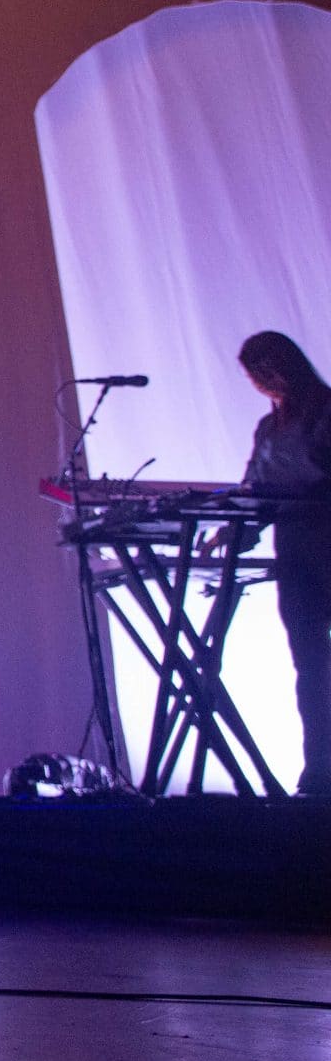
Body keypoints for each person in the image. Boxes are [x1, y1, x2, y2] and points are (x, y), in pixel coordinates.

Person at [238, 331, 331, 796]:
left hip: (324, 540)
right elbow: (256, 491)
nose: (262, 383)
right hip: (295, 553)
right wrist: (232, 529)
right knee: (310, 666)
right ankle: (320, 770)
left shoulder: (326, 413)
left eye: (266, 371)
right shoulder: (267, 429)